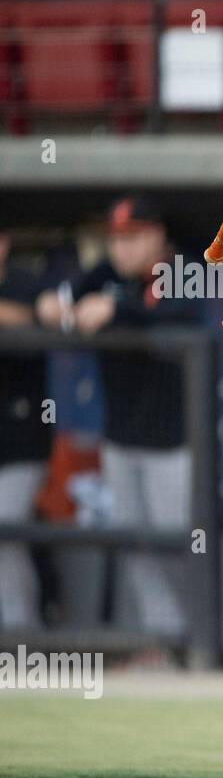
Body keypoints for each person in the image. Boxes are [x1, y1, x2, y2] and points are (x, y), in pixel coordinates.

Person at [36, 196, 200, 642]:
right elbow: (61, 300)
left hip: (175, 444)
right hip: (121, 438)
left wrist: (116, 311)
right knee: (134, 547)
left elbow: (177, 315)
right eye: (116, 239)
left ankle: (199, 641)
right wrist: (55, 304)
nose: (122, 249)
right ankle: (161, 644)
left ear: (158, 236)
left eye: (133, 238)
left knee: (179, 548)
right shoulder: (108, 275)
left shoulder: (187, 270)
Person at [0, 231, 51, 630]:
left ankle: (23, 639)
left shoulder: (27, 282)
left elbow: (40, 315)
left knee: (6, 534)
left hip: (20, 440)